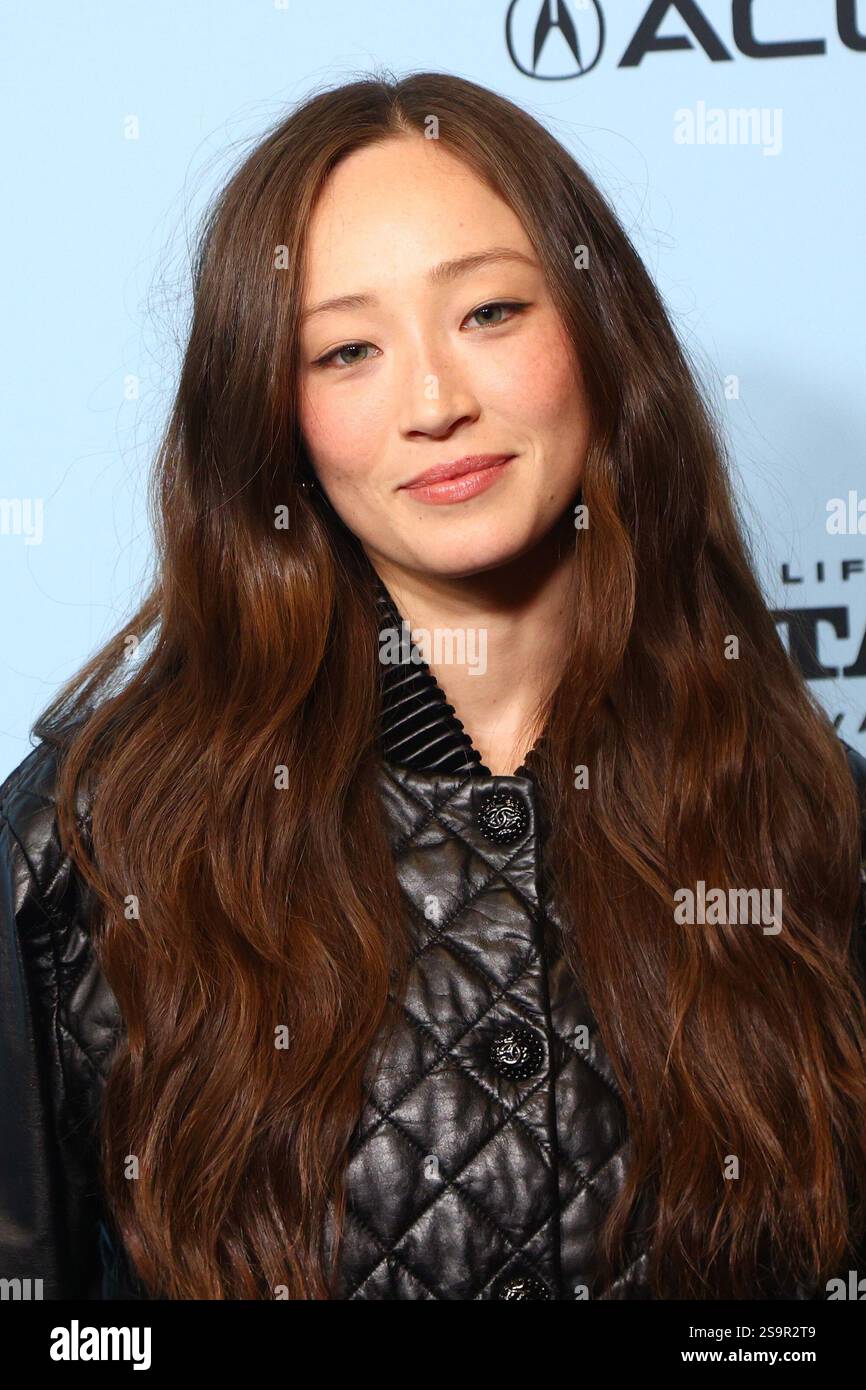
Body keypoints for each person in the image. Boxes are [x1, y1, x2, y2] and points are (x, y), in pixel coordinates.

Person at [2, 71, 865, 1303]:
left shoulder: (808, 817)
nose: (433, 403)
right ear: (272, 414)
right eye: (345, 349)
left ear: (598, 330)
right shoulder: (90, 843)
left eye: (491, 313)